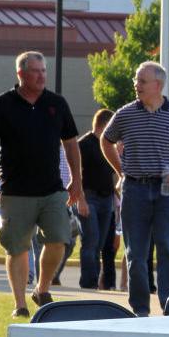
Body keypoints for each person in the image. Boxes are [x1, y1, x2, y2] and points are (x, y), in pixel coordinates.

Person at [0, 51, 82, 317]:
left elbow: (71, 144)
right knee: (17, 247)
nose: (41, 76)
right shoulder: (2, 104)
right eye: (36, 71)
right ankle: (20, 304)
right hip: (15, 191)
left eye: (44, 70)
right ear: (21, 74)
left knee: (59, 239)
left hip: (52, 189)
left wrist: (77, 181)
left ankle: (41, 288)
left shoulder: (56, 103)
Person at [100, 61, 169, 316]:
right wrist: (121, 170)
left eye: (142, 81)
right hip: (135, 189)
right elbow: (106, 141)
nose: (136, 85)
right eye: (136, 80)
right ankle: (140, 309)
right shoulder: (125, 114)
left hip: (167, 192)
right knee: (136, 253)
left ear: (158, 85)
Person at [76, 109, 117, 289]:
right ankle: (88, 283)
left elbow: (113, 173)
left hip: (106, 198)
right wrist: (80, 200)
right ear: (105, 124)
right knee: (90, 241)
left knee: (99, 244)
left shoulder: (109, 146)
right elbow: (76, 174)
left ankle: (94, 282)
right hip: (89, 197)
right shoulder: (84, 145)